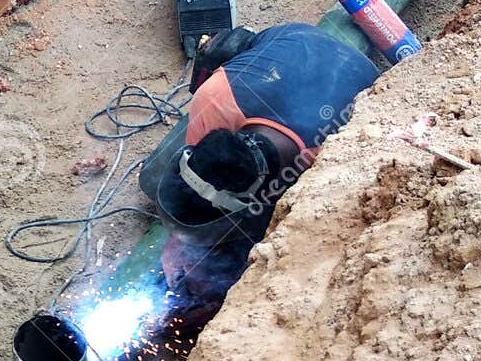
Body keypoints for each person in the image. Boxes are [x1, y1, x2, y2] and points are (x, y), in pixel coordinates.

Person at [138, 22, 378, 317]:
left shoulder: (331, 158)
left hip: (363, 76)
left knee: (250, 244)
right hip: (296, 39)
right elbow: (195, 185)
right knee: (154, 178)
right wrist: (178, 241)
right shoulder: (213, 101)